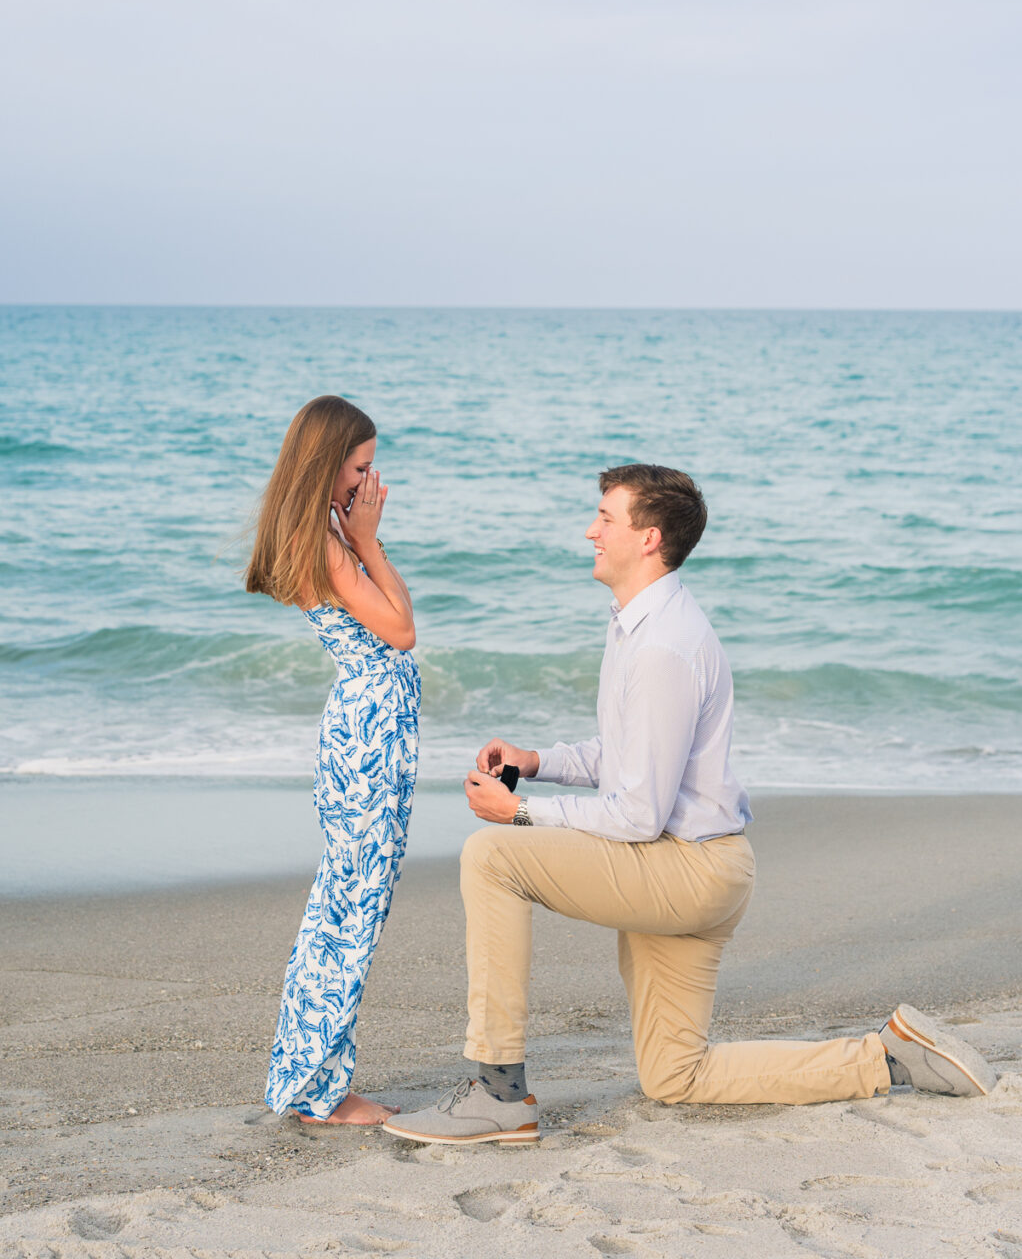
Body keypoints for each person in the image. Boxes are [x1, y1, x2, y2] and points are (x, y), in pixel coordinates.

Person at [382, 463, 997, 1145]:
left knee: (492, 856)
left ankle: (498, 1092)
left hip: (687, 870)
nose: (591, 530)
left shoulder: (664, 646)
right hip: (690, 865)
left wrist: (521, 813)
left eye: (606, 518)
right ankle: (888, 1057)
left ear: (647, 538)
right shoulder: (642, 626)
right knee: (676, 1076)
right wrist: (538, 762)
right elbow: (630, 762)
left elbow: (638, 814)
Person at [246, 394, 419, 1128]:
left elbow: (399, 624)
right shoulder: (326, 543)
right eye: (360, 466)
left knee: (346, 907)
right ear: (327, 462)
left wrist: (364, 540)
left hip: (367, 733)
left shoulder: (321, 533)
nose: (368, 481)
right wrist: (371, 543)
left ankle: (306, 1077)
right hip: (368, 738)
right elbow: (402, 631)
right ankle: (322, 1092)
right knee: (351, 912)